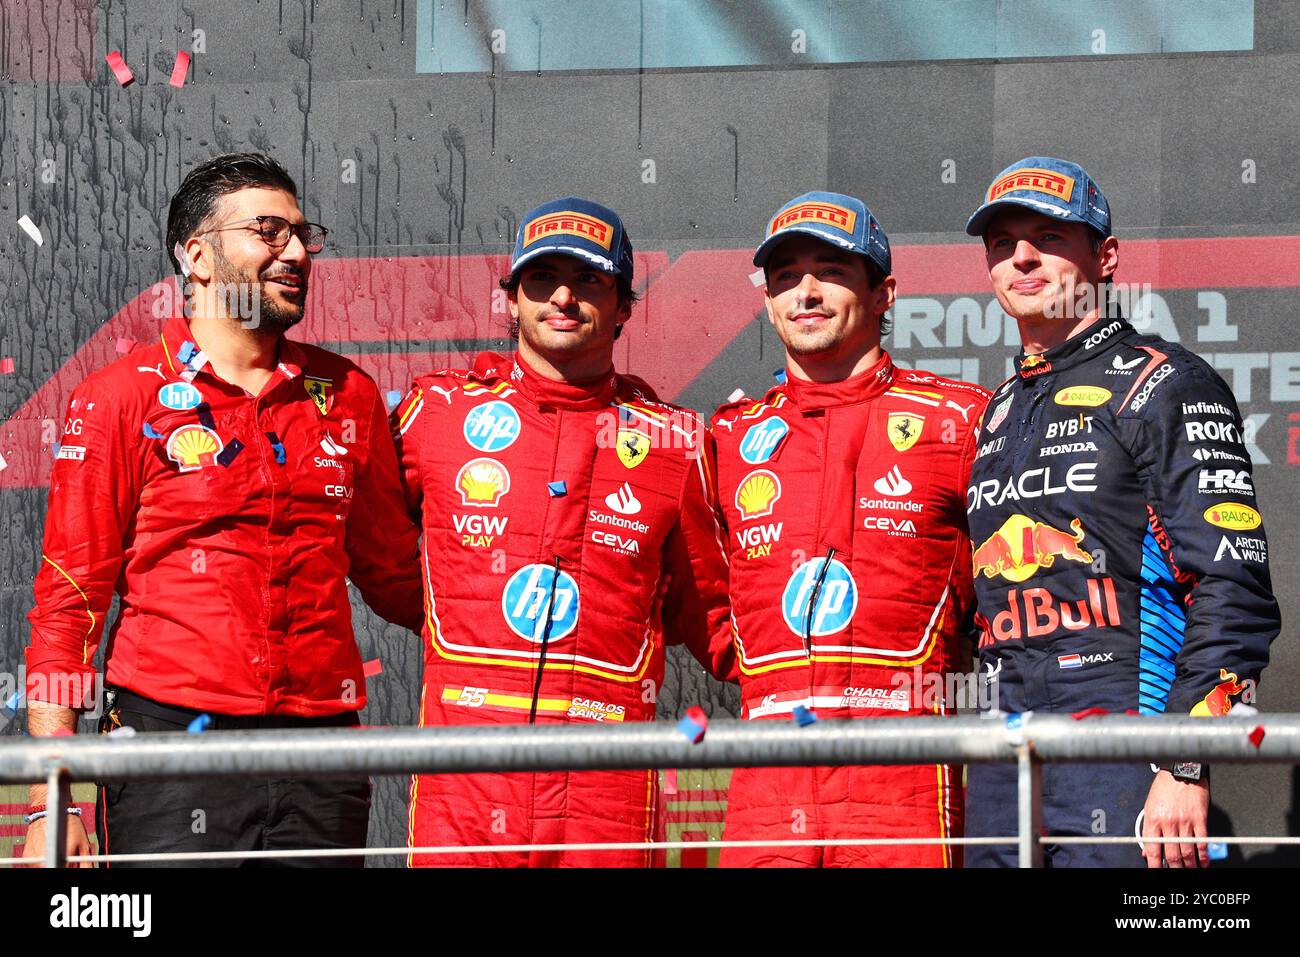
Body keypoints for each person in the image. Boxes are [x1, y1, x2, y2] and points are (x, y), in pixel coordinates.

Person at [22, 152, 423, 867]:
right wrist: (51, 794)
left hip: (322, 747)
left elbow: (399, 579)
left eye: (304, 234)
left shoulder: (350, 393)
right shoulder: (120, 396)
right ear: (198, 256)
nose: (297, 251)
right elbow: (68, 603)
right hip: (171, 748)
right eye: (269, 231)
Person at [392, 197, 735, 867]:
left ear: (625, 306)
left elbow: (717, 619)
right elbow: (359, 538)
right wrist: (441, 612)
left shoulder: (674, 443)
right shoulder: (436, 411)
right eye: (542, 279)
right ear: (512, 300)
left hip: (603, 791)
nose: (564, 297)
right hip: (463, 785)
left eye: (589, 281)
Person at [962, 156, 1281, 867]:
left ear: (1105, 257)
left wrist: (1186, 760)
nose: (1021, 255)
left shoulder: (1164, 380)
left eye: (1048, 236)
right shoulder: (996, 410)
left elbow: (1233, 587)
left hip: (1126, 739)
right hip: (1000, 752)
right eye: (1001, 241)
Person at [710, 191, 989, 866]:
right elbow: (702, 594)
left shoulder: (961, 417)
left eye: (830, 270)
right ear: (769, 300)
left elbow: (1008, 588)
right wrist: (757, 664)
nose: (805, 291)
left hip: (903, 769)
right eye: (785, 276)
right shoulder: (727, 436)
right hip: (768, 771)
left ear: (883, 291)